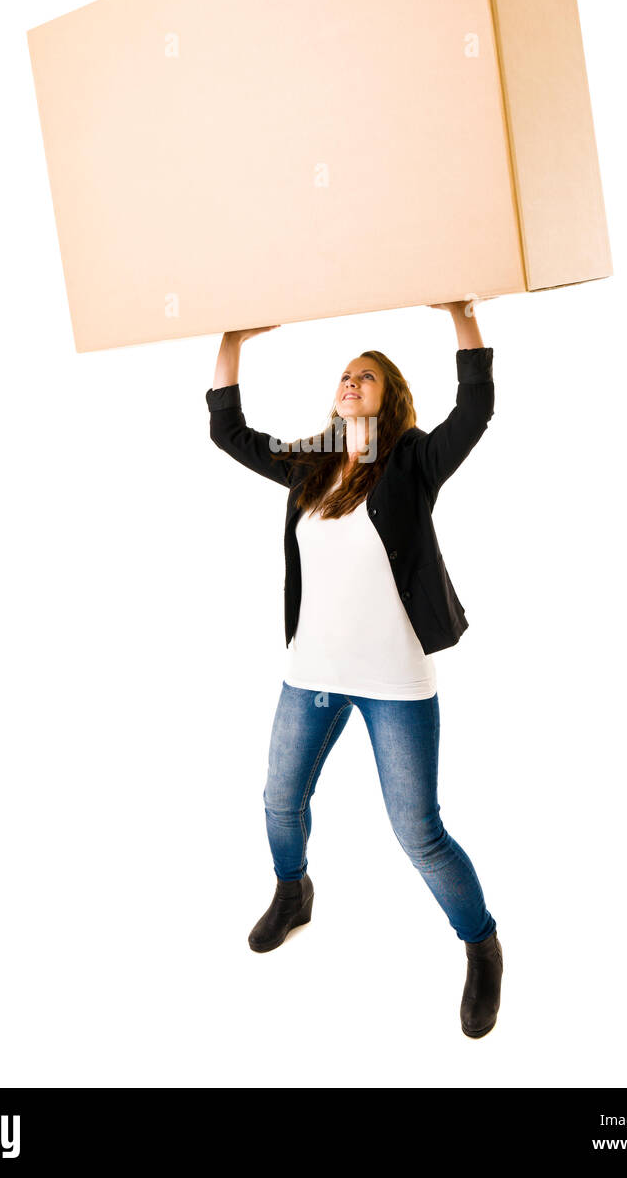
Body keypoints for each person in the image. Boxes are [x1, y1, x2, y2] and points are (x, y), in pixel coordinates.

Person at [204, 299, 503, 1038]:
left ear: (390, 397)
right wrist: (233, 338)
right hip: (311, 675)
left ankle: (482, 945)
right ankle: (293, 889)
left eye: (365, 377)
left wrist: (462, 316)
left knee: (419, 831)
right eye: (344, 373)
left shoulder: (412, 463)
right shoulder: (311, 465)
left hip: (394, 683)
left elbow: (477, 405)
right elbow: (227, 431)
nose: (349, 381)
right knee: (278, 802)